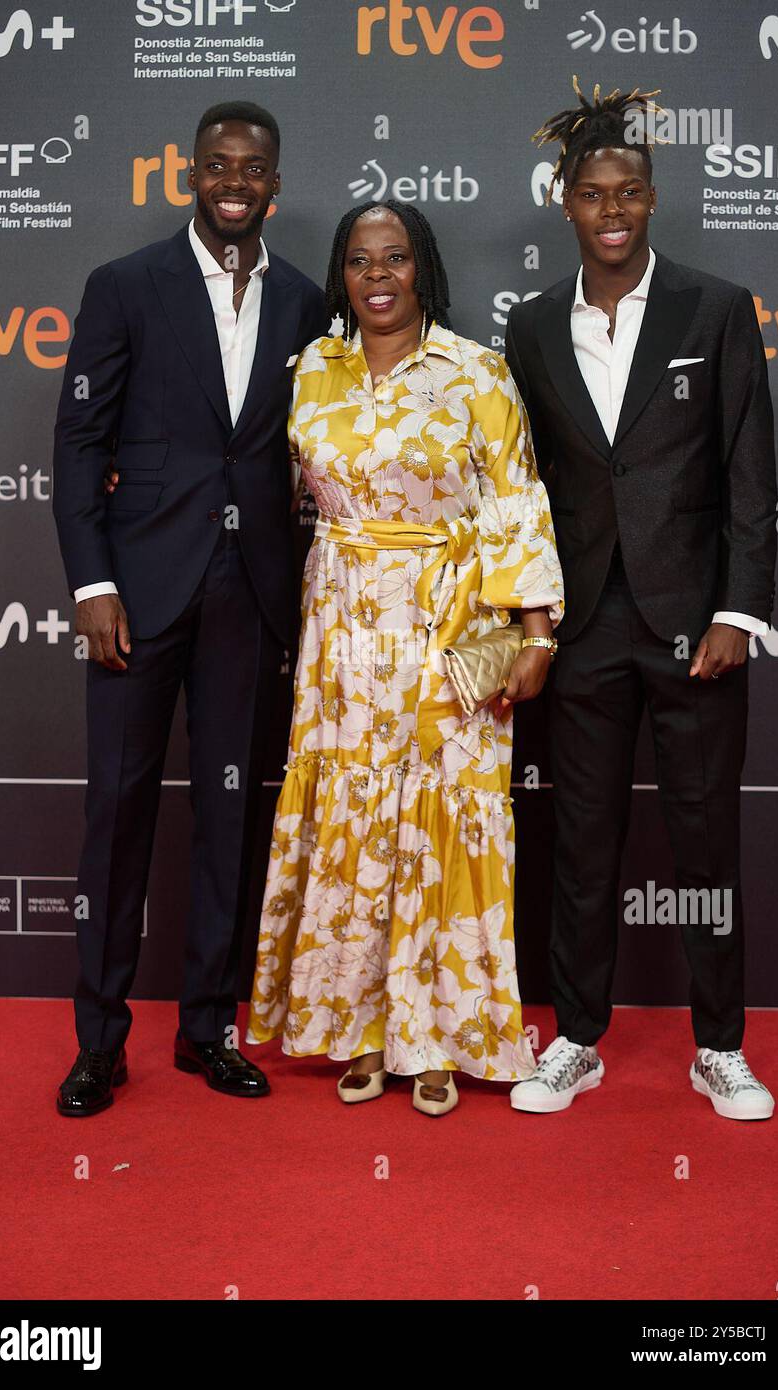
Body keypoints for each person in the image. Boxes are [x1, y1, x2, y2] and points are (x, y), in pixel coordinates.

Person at [246, 200, 564, 1116]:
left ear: (421, 266)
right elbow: (274, 485)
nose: (377, 276)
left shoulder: (477, 372)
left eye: (395, 258)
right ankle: (360, 1026)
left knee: (444, 813)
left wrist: (533, 635)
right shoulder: (314, 369)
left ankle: (439, 1037)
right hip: (341, 628)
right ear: (341, 275)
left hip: (452, 624)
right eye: (358, 260)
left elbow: (514, 505)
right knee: (351, 812)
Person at [505, 79, 778, 1121]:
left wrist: (735, 611)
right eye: (590, 192)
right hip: (581, 629)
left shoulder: (713, 308)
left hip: (691, 623)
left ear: (650, 200)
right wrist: (530, 617)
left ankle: (719, 1046)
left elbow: (747, 474)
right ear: (562, 203)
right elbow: (519, 484)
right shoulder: (528, 328)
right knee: (581, 842)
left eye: (627, 191)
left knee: (704, 842)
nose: (610, 209)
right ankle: (577, 1036)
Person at [51, 101, 329, 1116]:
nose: (232, 180)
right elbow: (79, 443)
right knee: (117, 815)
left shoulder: (305, 303)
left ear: (274, 183)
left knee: (230, 817)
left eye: (251, 167)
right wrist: (92, 584)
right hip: (137, 591)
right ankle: (99, 1041)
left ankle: (208, 1027)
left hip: (249, 593)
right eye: (216, 164)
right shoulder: (124, 286)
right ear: (189, 174)